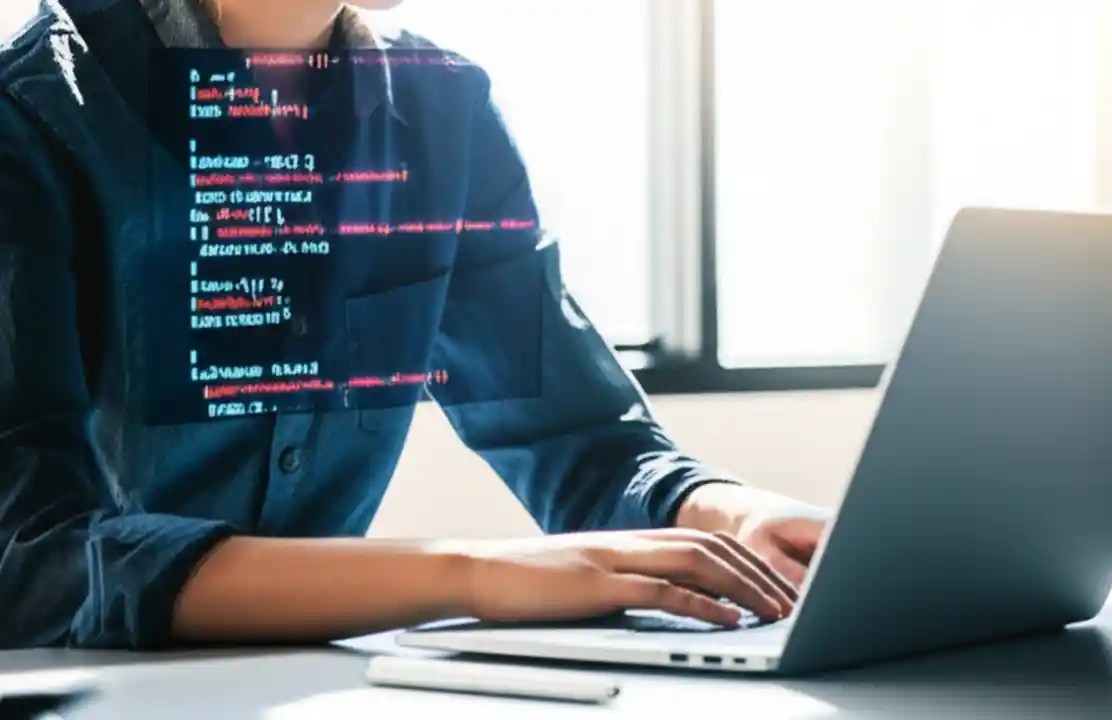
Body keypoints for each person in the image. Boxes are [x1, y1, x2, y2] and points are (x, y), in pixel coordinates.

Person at [0, 0, 830, 650]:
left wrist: (729, 514)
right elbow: (35, 560)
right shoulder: (33, 115)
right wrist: (469, 574)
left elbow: (580, 440)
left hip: (316, 687)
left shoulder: (447, 111)